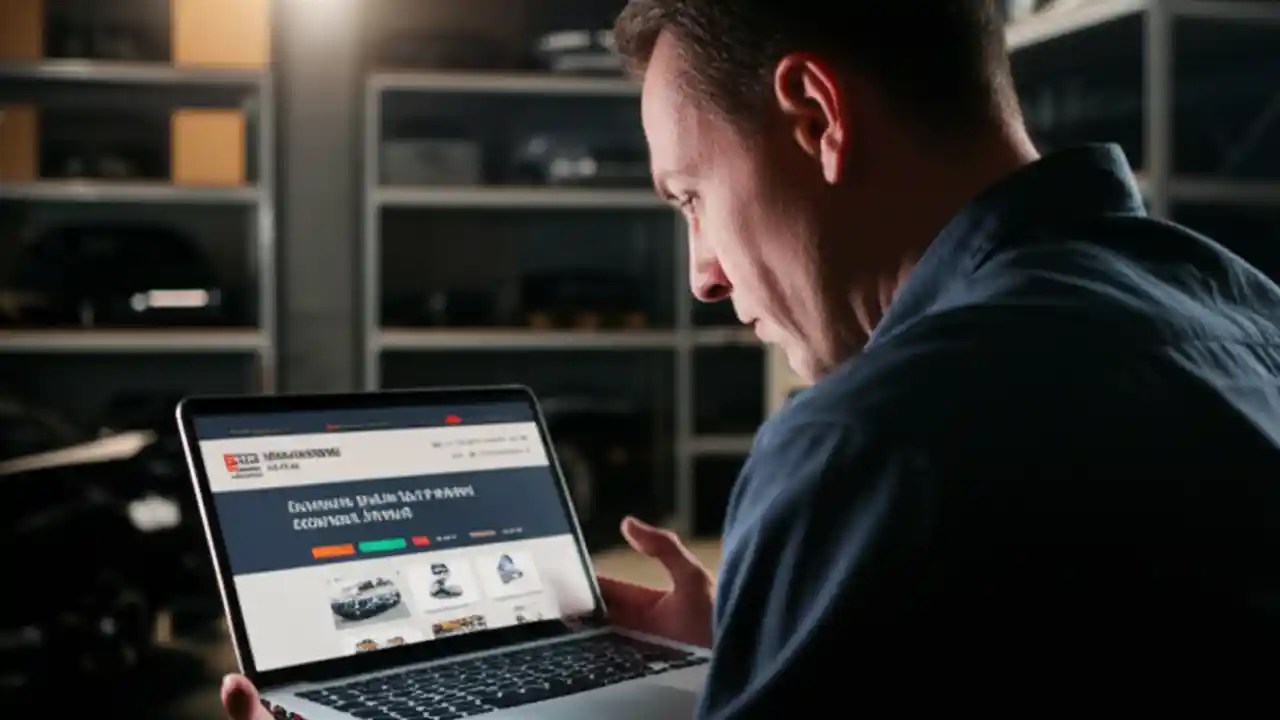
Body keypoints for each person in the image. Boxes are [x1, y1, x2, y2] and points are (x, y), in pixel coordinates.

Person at [222, 1, 1280, 717]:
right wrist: (773, 625)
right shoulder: (1245, 316)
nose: (703, 278)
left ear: (814, 115)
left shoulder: (871, 444)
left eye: (688, 197)